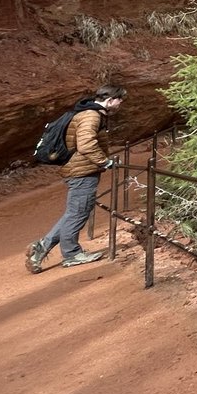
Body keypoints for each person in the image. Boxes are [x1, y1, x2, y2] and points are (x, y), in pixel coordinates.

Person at [25, 84, 126, 272]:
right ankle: (71, 254)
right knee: (78, 213)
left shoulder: (88, 113)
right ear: (110, 100)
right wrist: (104, 162)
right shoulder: (91, 116)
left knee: (74, 212)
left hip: (80, 170)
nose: (121, 103)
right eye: (120, 99)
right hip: (82, 172)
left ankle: (41, 247)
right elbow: (86, 144)